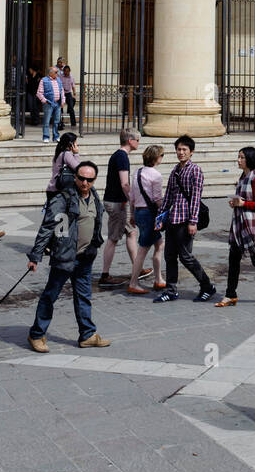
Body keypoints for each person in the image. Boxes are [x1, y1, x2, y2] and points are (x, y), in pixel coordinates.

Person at [26, 159, 109, 351]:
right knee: (50, 296)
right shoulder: (63, 198)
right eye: (81, 178)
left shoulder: (94, 196)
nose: (85, 183)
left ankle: (87, 335)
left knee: (84, 296)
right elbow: (48, 227)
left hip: (85, 257)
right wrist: (35, 256)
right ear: (75, 177)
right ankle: (36, 334)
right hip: (65, 257)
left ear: (95, 180)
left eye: (89, 179)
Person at [154, 135, 217, 303]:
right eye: (178, 149)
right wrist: (160, 217)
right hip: (172, 220)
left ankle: (207, 286)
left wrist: (193, 221)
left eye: (184, 150)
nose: (181, 152)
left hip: (186, 219)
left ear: (191, 152)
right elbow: (168, 197)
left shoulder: (195, 170)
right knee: (169, 256)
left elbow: (196, 197)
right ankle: (171, 290)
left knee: (186, 257)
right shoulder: (175, 170)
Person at [217, 147, 255, 307]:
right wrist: (236, 203)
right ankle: (230, 294)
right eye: (238, 157)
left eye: (241, 157)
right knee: (234, 258)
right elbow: (243, 200)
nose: (238, 160)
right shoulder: (243, 176)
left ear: (249, 159)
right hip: (240, 222)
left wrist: (244, 204)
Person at [99, 128, 141, 285]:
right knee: (113, 239)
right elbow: (125, 184)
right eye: (138, 140)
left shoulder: (119, 155)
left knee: (131, 232)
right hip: (117, 203)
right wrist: (133, 201)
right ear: (130, 141)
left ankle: (137, 267)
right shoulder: (122, 157)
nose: (139, 143)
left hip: (116, 201)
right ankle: (105, 275)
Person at [127, 144, 166, 295]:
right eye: (162, 155)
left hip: (138, 211)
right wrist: (166, 208)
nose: (162, 158)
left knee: (159, 244)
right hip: (150, 214)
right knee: (143, 249)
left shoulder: (137, 172)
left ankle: (159, 278)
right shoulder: (156, 175)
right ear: (157, 157)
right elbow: (157, 199)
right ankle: (133, 282)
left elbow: (132, 197)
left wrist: (132, 215)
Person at [47, 129, 80, 195]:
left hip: (53, 187)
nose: (77, 145)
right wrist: (76, 154)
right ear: (71, 144)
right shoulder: (67, 154)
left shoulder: (59, 152)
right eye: (75, 143)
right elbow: (78, 168)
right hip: (60, 190)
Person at [36, 66, 64, 144]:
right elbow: (39, 93)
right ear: (50, 73)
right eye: (56, 72)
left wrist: (63, 100)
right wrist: (45, 101)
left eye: (57, 72)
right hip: (48, 103)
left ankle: (56, 136)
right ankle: (46, 136)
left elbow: (62, 91)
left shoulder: (58, 80)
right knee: (46, 121)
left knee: (56, 121)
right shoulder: (44, 80)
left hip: (57, 103)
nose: (57, 74)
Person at [59, 63, 77, 128]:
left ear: (69, 71)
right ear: (63, 71)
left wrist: (74, 93)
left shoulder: (71, 77)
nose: (66, 72)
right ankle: (60, 122)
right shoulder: (60, 77)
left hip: (68, 93)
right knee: (60, 108)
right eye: (65, 71)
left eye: (68, 71)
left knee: (71, 108)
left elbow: (73, 86)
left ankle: (73, 123)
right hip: (61, 93)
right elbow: (59, 85)